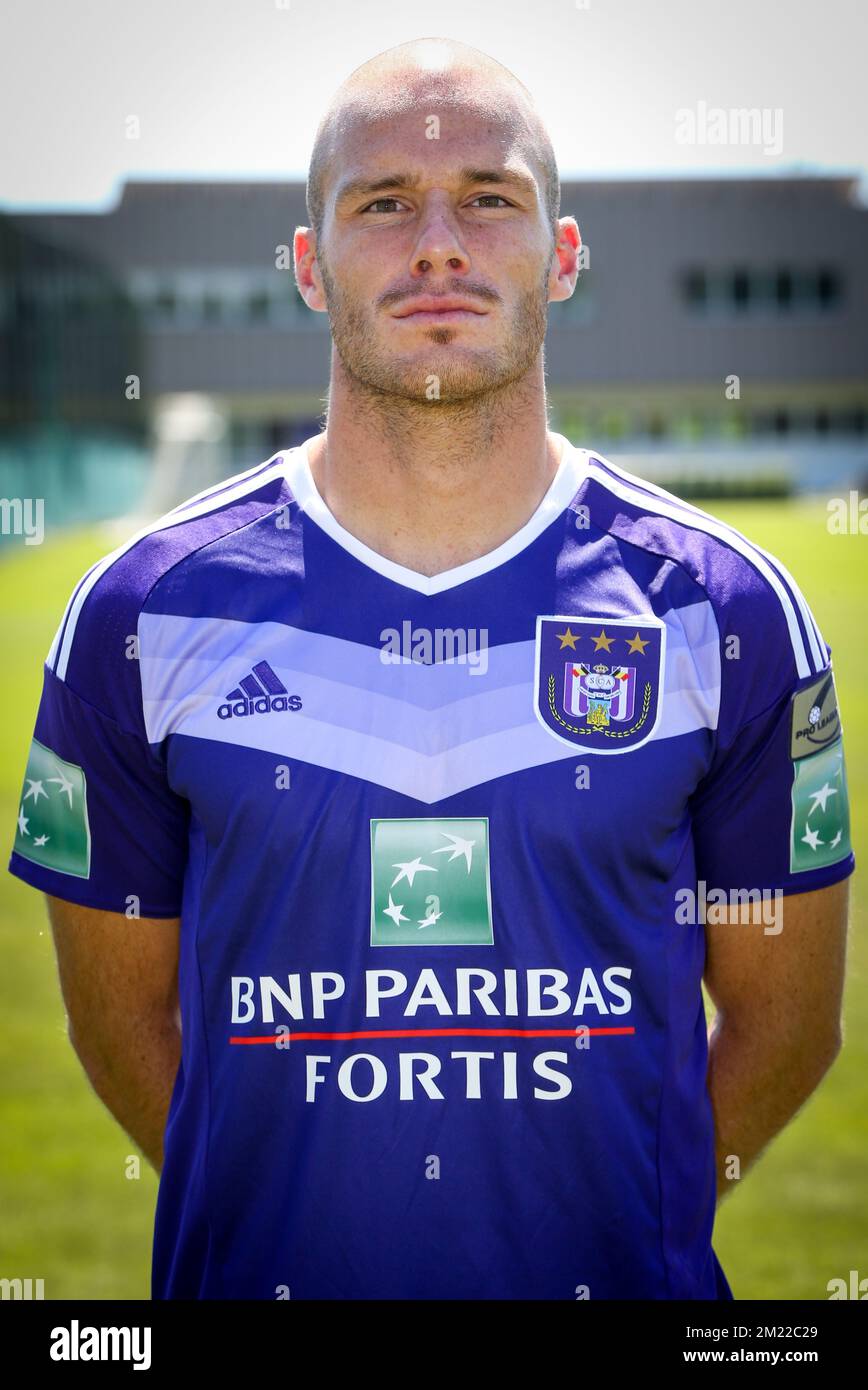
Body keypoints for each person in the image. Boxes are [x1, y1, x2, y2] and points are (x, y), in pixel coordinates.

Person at [8, 37, 853, 1300]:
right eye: (384, 203)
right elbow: (120, 1025)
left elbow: (788, 1024)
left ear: (561, 256)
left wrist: (634, 1215)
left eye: (491, 200)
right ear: (310, 265)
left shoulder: (728, 612)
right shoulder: (140, 613)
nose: (439, 242)